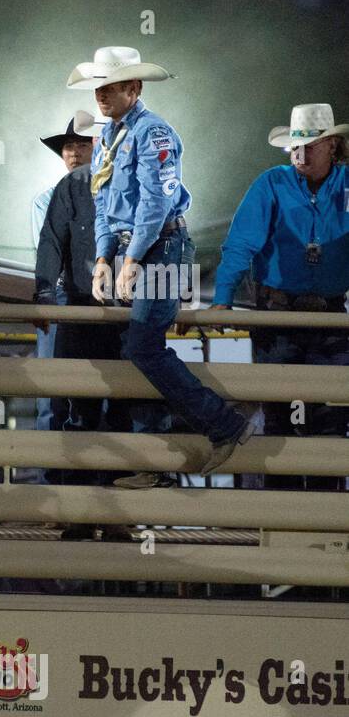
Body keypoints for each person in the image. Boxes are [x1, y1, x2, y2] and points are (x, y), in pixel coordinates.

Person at [69, 46, 252, 487]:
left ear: (134, 88)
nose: (101, 95)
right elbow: (105, 207)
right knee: (135, 346)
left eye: (110, 87)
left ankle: (222, 424)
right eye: (99, 87)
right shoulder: (110, 138)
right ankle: (155, 456)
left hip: (163, 246)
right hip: (141, 248)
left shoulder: (154, 134)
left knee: (142, 346)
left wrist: (128, 259)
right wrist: (101, 258)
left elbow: (156, 202)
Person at [212, 103, 349, 491]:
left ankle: (324, 525)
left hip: (329, 318)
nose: (301, 154)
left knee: (330, 420)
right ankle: (282, 520)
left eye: (311, 146)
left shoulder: (348, 187)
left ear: (332, 146)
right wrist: (222, 297)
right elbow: (241, 243)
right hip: (278, 316)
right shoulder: (272, 183)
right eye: (296, 147)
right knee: (282, 417)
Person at [34, 128, 136, 541]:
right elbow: (52, 241)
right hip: (84, 308)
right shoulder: (73, 187)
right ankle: (85, 509)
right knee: (83, 410)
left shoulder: (136, 181)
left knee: (118, 411)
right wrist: (43, 293)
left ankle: (108, 513)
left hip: (123, 311)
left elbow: (169, 234)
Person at [31, 111, 100, 443]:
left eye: (81, 145)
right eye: (68, 147)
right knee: (53, 389)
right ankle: (54, 470)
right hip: (66, 294)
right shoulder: (48, 198)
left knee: (83, 384)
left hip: (83, 294)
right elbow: (49, 248)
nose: (73, 153)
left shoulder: (67, 194)